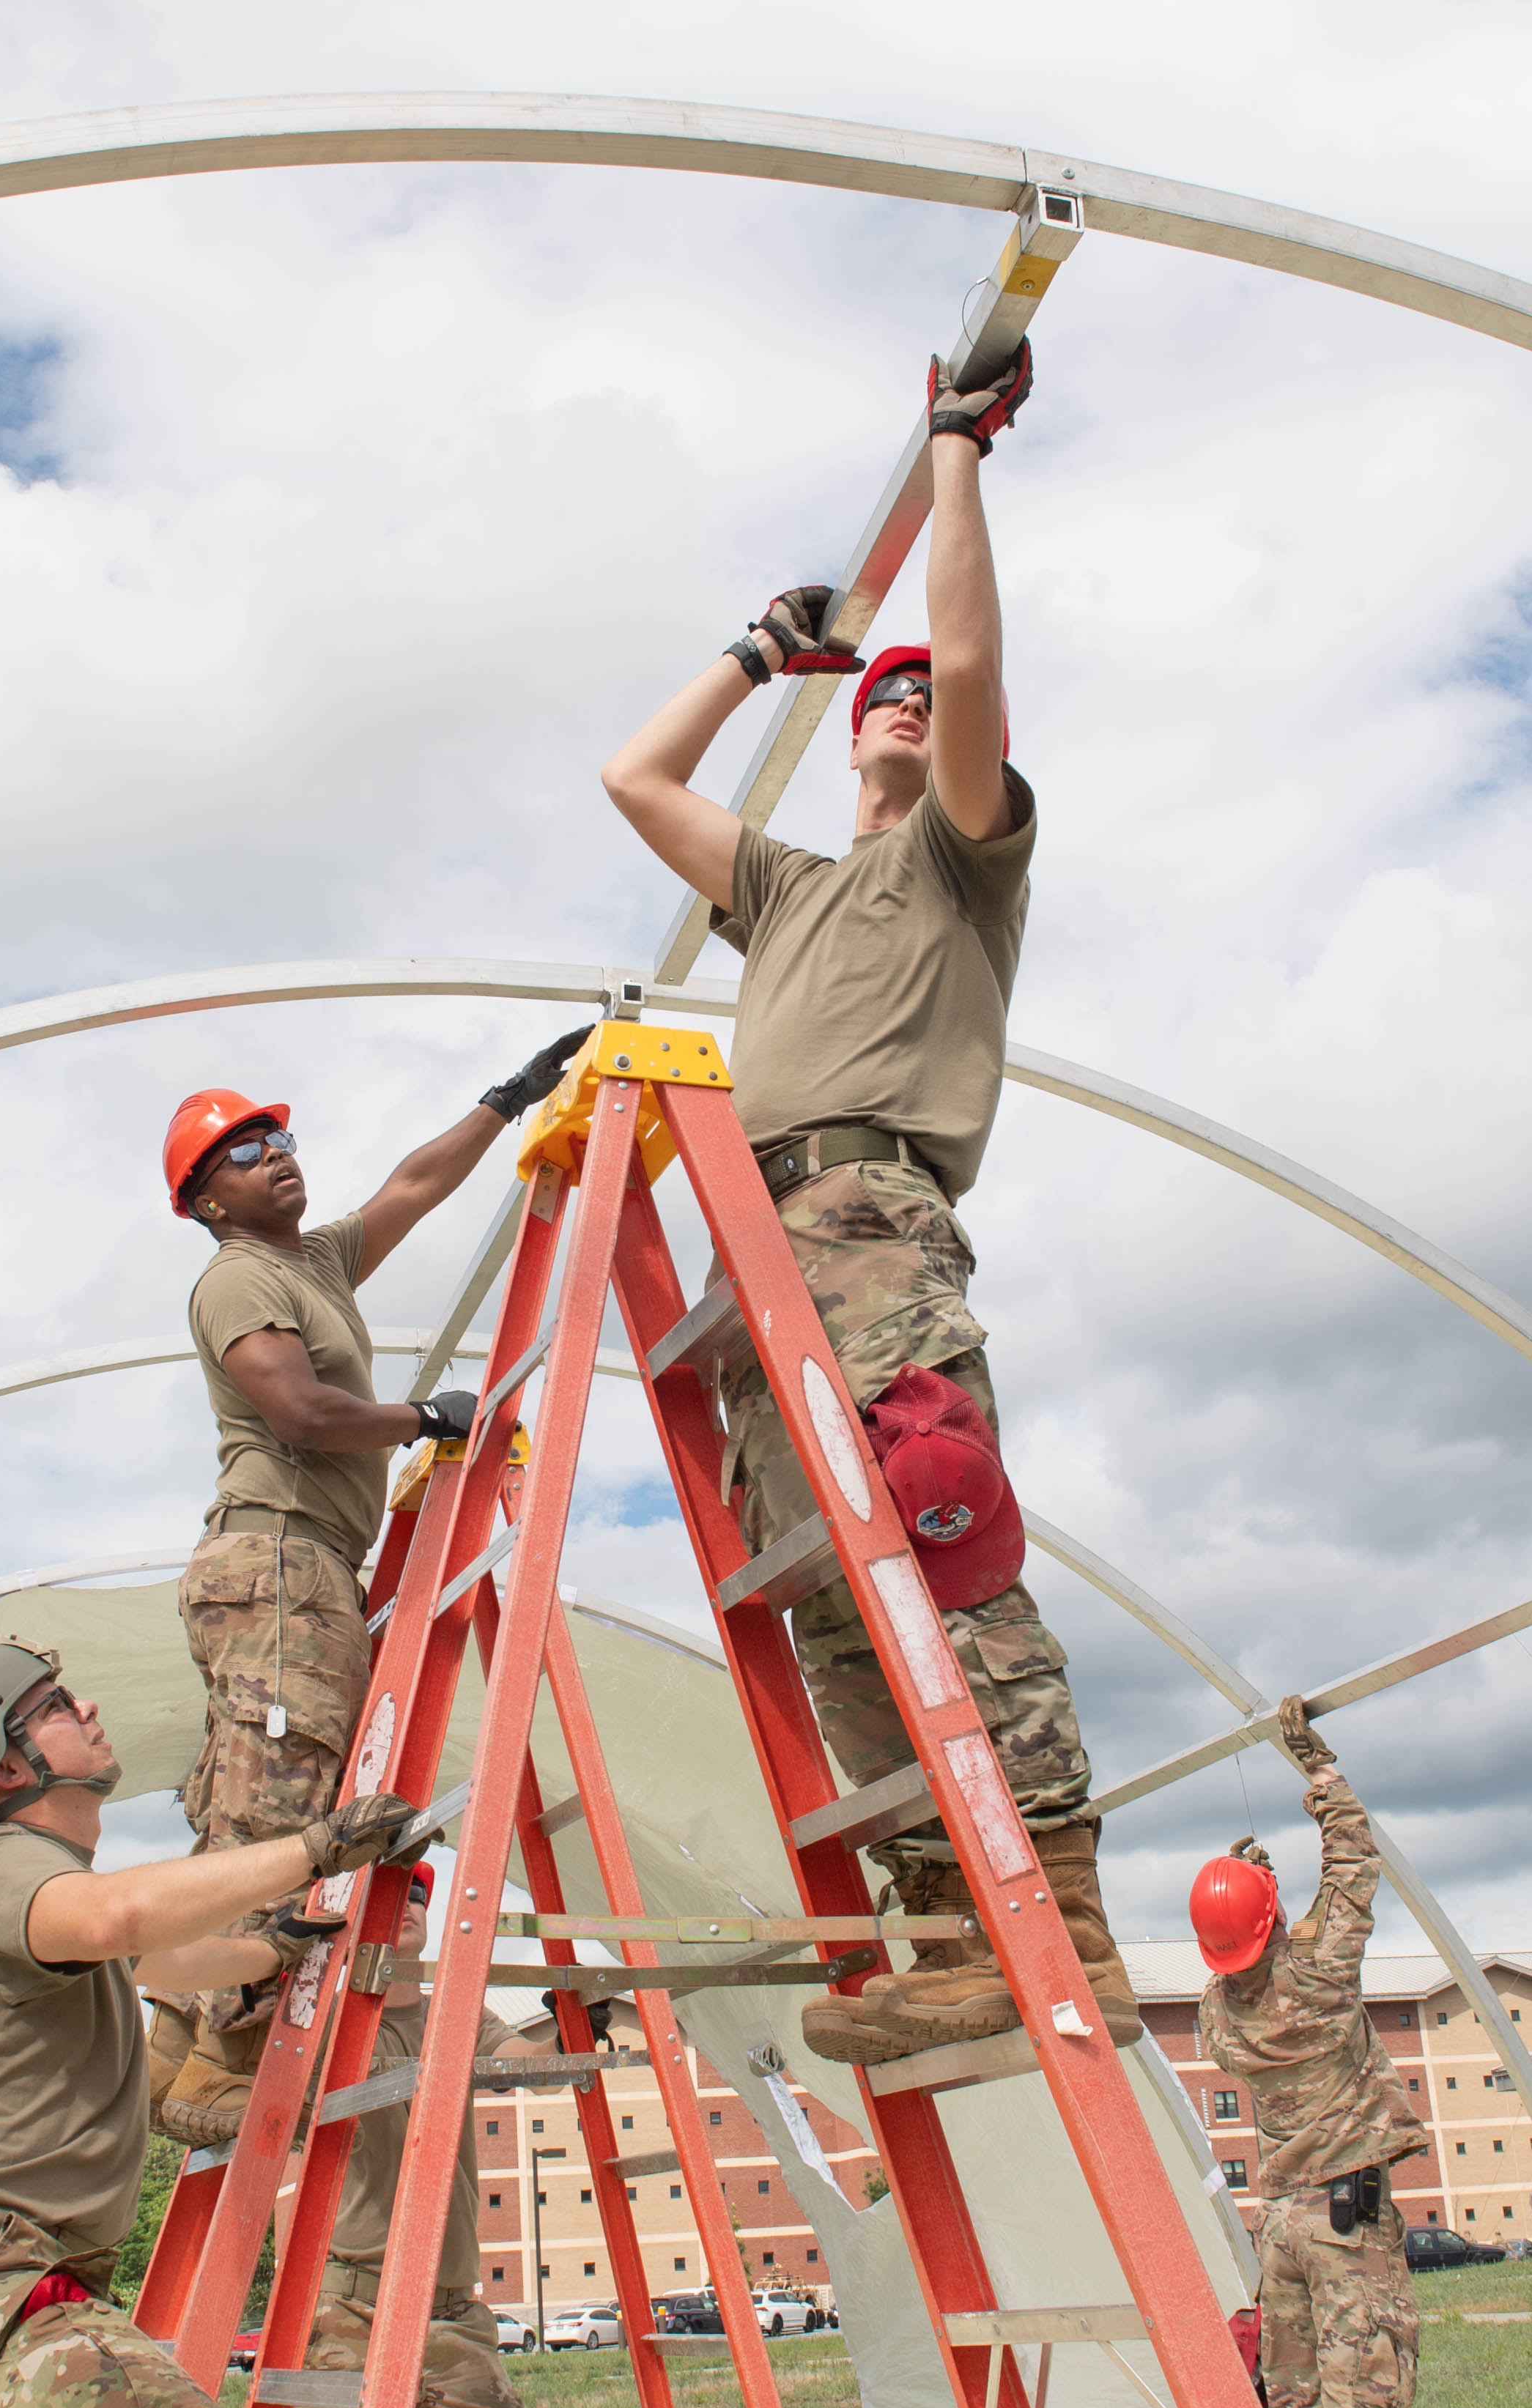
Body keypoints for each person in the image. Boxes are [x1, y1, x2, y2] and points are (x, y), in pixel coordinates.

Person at [599, 339, 1132, 2065]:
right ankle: (936, 1922)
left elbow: (969, 654)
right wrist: (763, 652)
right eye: (876, 694)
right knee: (826, 1594)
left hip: (870, 1221)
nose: (902, 700)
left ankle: (1059, 1910)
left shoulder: (954, 859)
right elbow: (632, 780)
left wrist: (953, 455)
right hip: (760, 1249)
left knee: (942, 1535)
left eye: (916, 698)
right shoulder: (791, 885)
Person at [0, 1633, 434, 2408]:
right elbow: (116, 1922)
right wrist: (314, 1849)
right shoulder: (2, 1867)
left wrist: (269, 1950)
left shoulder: (33, 1890)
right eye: (54, 1705)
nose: (86, 1710)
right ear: (5, 1766)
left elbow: (150, 1961)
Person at [151, 1026, 592, 2143]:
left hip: (301, 1569)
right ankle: (221, 2067)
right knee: (281, 1812)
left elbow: (411, 1185)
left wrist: (508, 1098)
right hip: (278, 1563)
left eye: (280, 1136)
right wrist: (421, 1418)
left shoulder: (314, 1261)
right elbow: (299, 1410)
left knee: (252, 1803)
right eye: (245, 1154)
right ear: (208, 1202)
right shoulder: (239, 1278)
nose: (276, 1155)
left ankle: (170, 2043)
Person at [278, 1864, 568, 2408]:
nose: (405, 1908)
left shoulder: (458, 2019)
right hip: (352, 2314)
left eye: (416, 1897)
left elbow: (530, 2070)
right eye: (388, 1896)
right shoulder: (325, 2024)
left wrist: (578, 2018)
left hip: (451, 2319)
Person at [1190, 1698, 1425, 2408]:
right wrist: (1315, 1766)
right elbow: (1355, 1859)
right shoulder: (1320, 1972)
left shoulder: (1218, 2015)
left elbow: (1241, 1952)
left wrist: (1248, 1883)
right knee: (1366, 2405)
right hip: (1342, 2222)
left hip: (1282, 2228)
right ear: (1272, 1920)